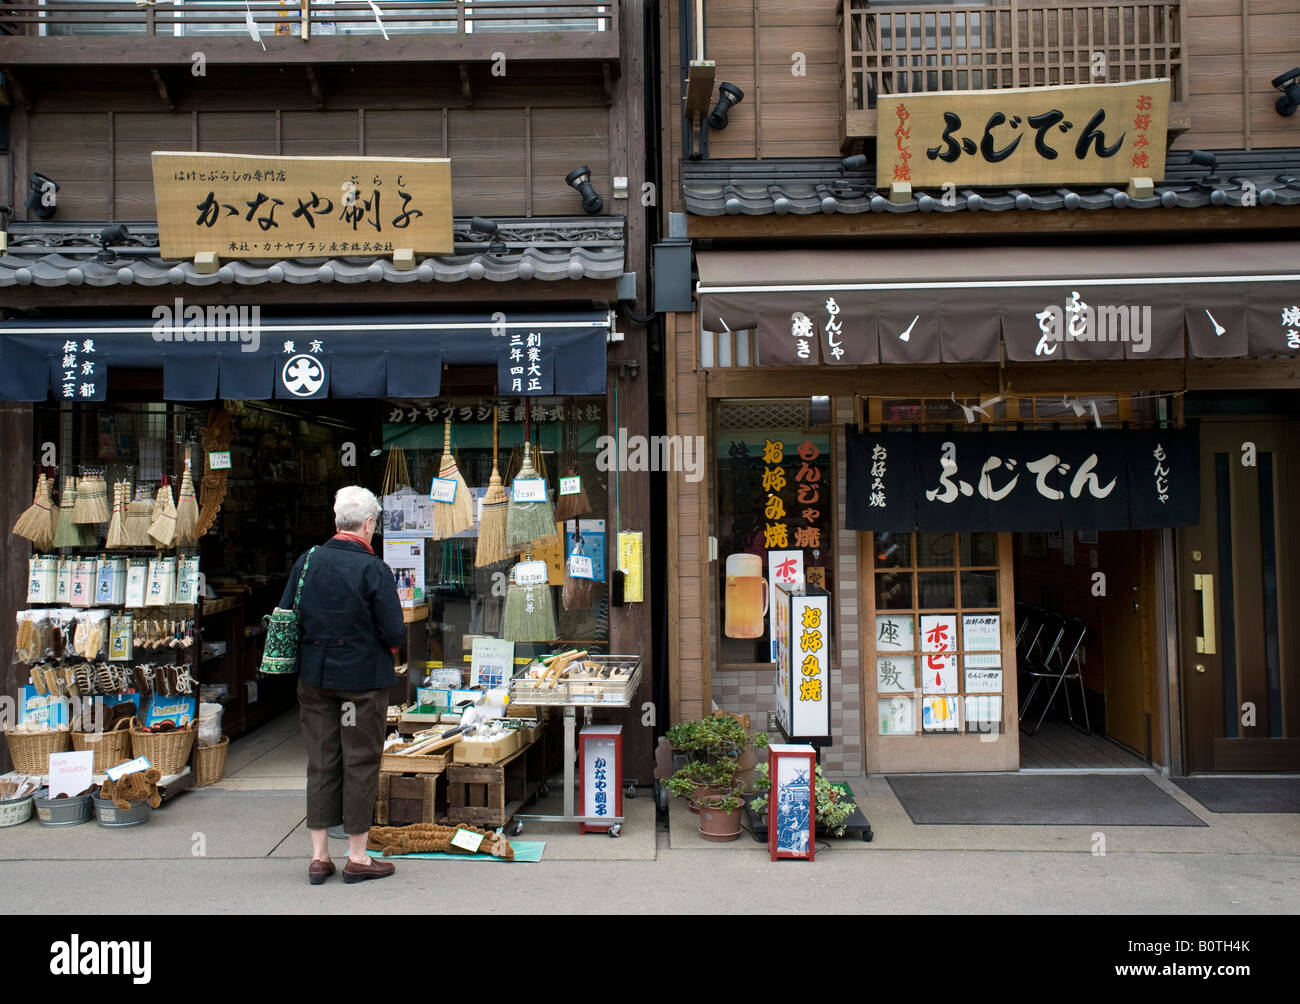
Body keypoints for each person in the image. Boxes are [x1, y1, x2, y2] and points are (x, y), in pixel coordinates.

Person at [282, 485, 405, 885]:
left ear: (337, 521)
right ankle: (357, 857)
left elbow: (287, 614)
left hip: (316, 679)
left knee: (321, 761)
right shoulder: (373, 569)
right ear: (369, 524)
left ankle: (319, 858)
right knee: (359, 761)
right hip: (361, 683)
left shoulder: (307, 562)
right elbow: (393, 631)